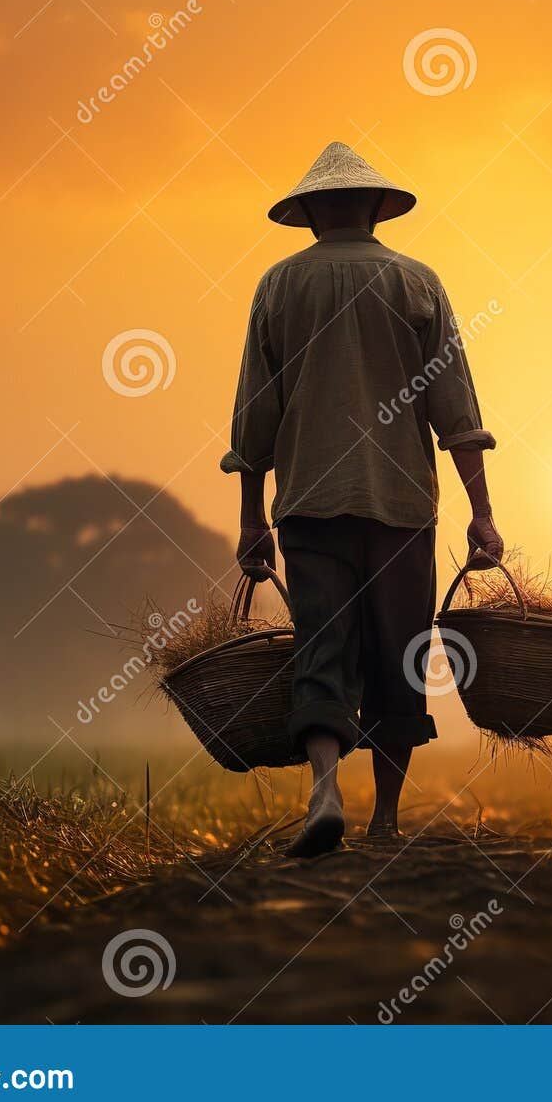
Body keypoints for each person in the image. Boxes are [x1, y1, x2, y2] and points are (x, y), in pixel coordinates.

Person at [221, 141, 503, 857]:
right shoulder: (418, 284)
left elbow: (256, 416)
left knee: (322, 648)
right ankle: (384, 819)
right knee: (398, 656)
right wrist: (483, 511)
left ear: (311, 214)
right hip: (402, 507)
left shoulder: (278, 287)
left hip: (311, 505)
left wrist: (252, 516)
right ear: (377, 210)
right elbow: (456, 411)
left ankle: (323, 790)